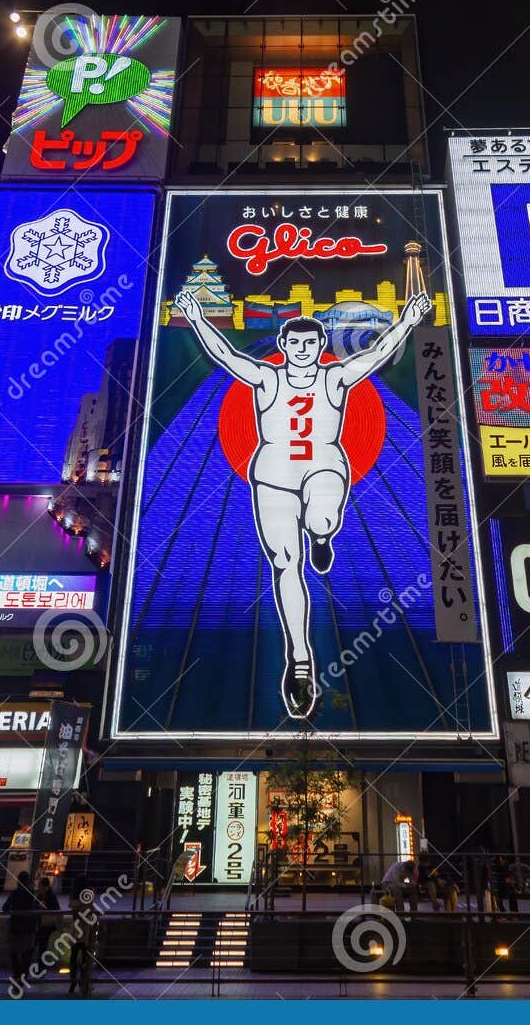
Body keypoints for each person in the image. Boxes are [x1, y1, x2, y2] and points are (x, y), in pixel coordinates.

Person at [175, 287, 434, 718]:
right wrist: (198, 319)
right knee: (284, 563)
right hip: (273, 476)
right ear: (284, 346)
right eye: (294, 343)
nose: (302, 349)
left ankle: (321, 534)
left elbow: (376, 354)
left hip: (325, 466)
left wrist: (407, 320)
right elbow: (224, 355)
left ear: (319, 346)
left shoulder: (335, 378)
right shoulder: (266, 378)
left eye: (310, 343)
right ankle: (300, 661)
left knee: (323, 515)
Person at [5, 871, 40, 985]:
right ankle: (23, 975)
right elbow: (35, 909)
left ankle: (16, 975)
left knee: (14, 952)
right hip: (28, 928)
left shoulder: (14, 893)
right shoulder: (31, 893)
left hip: (15, 927)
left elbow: (5, 907)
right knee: (27, 953)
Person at [67, 883, 98, 997]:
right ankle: (84, 982)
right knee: (85, 958)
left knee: (73, 958)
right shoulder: (88, 898)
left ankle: (73, 981)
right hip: (85, 930)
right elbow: (91, 909)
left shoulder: (73, 899)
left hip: (75, 931)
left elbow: (72, 907)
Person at [33, 875, 61, 970]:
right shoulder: (40, 896)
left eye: (40, 886)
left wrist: (44, 908)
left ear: (46, 887)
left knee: (42, 947)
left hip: (47, 925)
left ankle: (40, 968)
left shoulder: (51, 897)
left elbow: (56, 910)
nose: (39, 888)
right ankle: (39, 967)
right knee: (38, 946)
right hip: (40, 924)